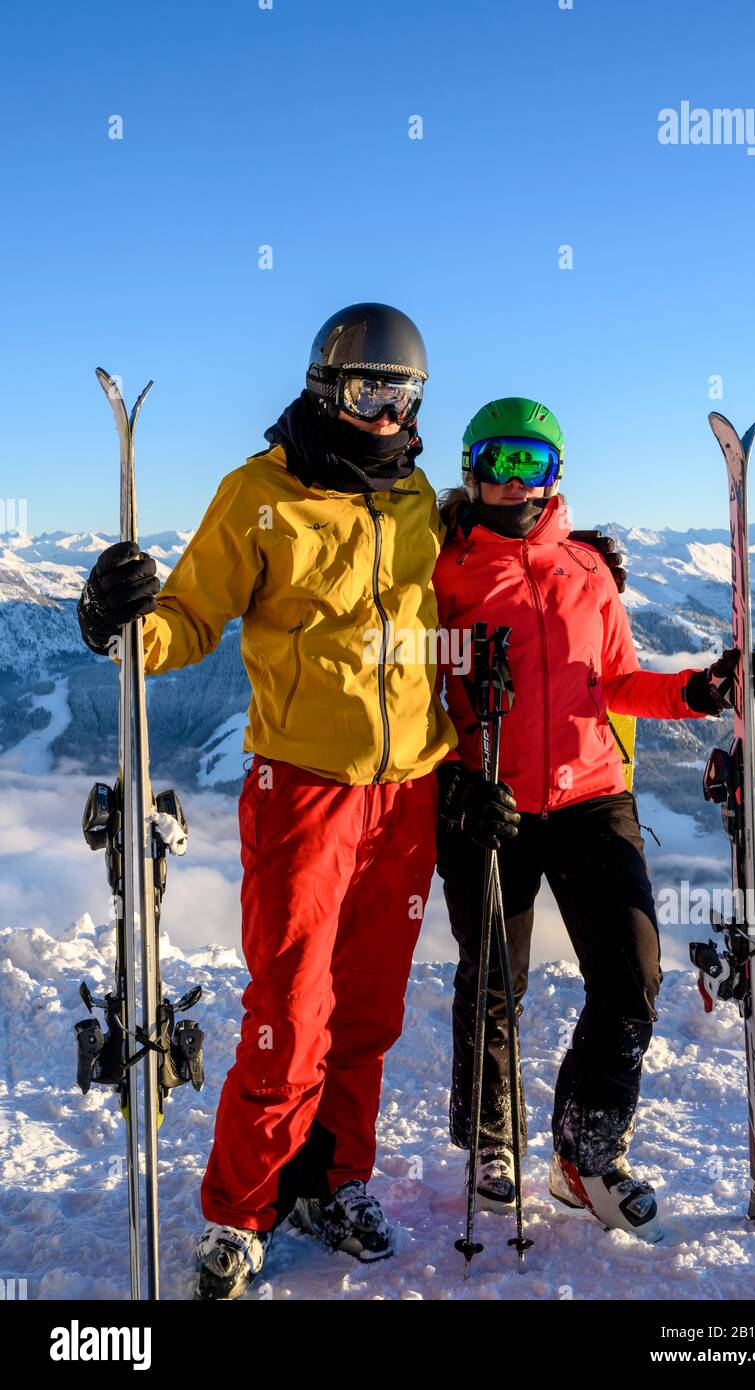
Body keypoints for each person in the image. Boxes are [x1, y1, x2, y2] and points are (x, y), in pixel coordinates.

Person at [77, 303, 458, 1298]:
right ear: (330, 387)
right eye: (372, 390)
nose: (387, 412)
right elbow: (192, 614)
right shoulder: (259, 494)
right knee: (289, 1013)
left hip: (408, 792)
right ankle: (242, 1210)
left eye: (405, 394)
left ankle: (335, 1180)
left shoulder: (417, 498)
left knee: (368, 1012)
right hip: (304, 794)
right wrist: (124, 626)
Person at [432, 397, 755, 1242]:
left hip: (590, 798)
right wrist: (455, 777)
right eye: (498, 461)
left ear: (555, 476)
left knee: (631, 980)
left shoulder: (588, 570)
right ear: (469, 467)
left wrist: (695, 690)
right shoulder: (439, 573)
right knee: (493, 982)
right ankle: (490, 1144)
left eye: (531, 464)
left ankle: (585, 1154)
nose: (513, 481)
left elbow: (614, 680)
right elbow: (410, 688)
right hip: (487, 807)